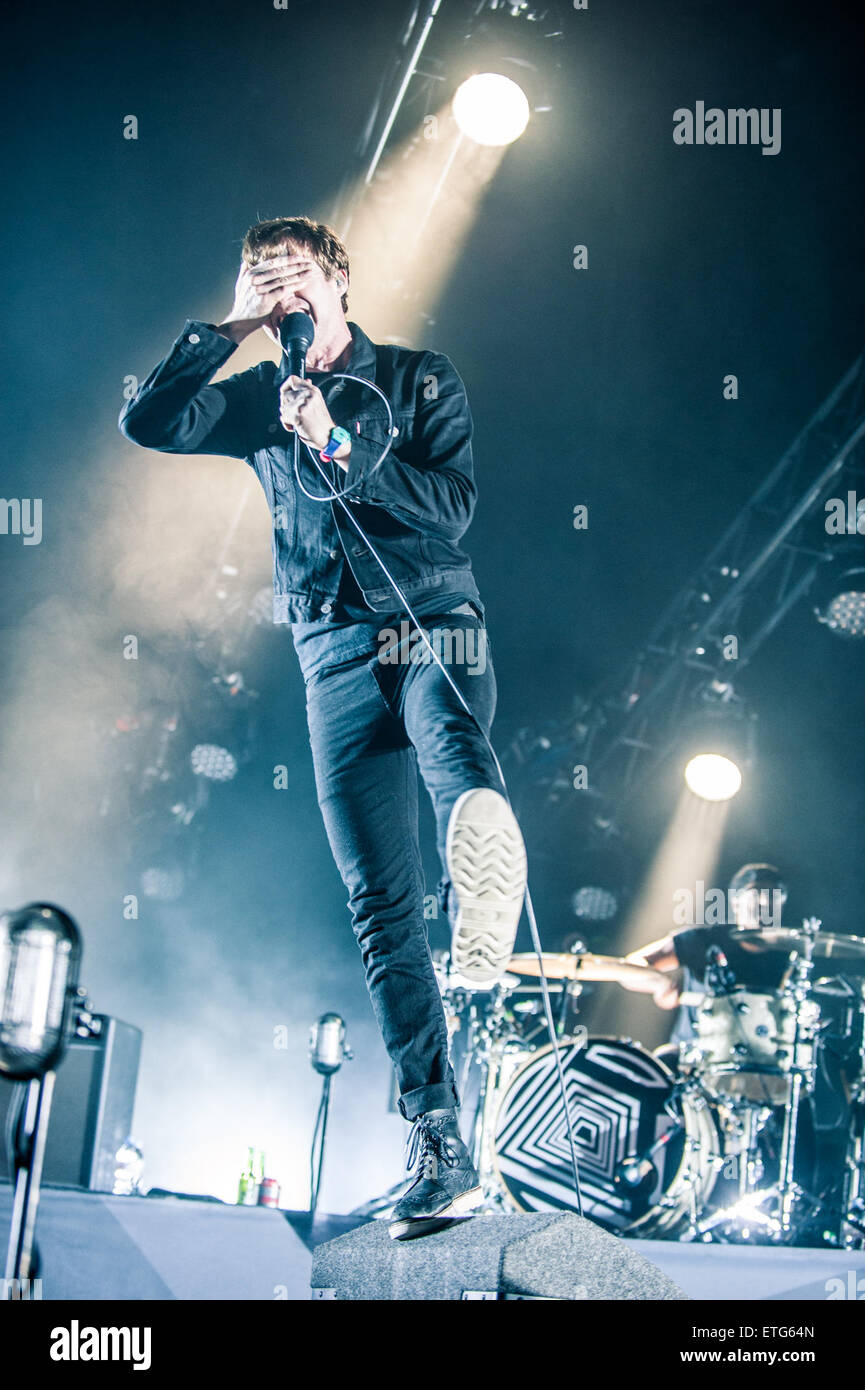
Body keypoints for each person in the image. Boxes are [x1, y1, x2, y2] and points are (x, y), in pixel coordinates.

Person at [119, 216, 527, 1238]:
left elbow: (451, 508)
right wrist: (228, 328)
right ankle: (438, 1137)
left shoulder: (422, 377)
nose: (282, 293)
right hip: (333, 655)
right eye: (264, 280)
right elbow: (150, 423)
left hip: (433, 616)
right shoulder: (257, 398)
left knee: (448, 735)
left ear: (340, 279)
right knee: (380, 907)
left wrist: (336, 441)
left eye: (294, 276)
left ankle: (482, 857)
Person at [628, 863, 789, 1041]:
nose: (765, 903)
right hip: (693, 1057)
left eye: (774, 897)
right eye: (756, 895)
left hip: (765, 1059)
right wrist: (659, 985)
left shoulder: (792, 953)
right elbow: (631, 966)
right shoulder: (703, 940)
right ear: (736, 903)